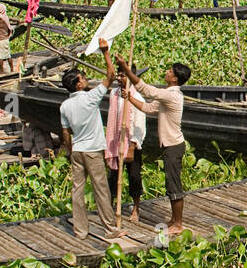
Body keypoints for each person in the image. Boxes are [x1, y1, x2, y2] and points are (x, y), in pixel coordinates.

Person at [117, 55, 190, 235]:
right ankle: (174, 219)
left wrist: (127, 71)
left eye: (170, 71)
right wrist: (130, 98)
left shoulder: (171, 95)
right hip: (170, 144)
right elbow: (149, 108)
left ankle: (178, 224)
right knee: (170, 181)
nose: (166, 72)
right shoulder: (167, 95)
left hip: (173, 145)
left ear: (175, 78)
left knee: (173, 184)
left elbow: (147, 91)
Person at [59, 45, 118, 238]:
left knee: (78, 191)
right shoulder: (90, 98)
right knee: (100, 189)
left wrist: (69, 150)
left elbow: (65, 132)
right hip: (92, 150)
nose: (86, 79)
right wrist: (105, 52)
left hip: (77, 150)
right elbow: (111, 75)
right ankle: (109, 229)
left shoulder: (65, 106)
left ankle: (80, 230)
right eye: (83, 78)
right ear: (78, 85)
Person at [104, 72, 147, 223]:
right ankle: (112, 207)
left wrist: (132, 146)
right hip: (116, 142)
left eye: (123, 75)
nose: (119, 79)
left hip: (131, 143)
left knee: (134, 176)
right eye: (119, 75)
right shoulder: (114, 94)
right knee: (113, 176)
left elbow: (139, 124)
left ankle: (136, 208)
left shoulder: (137, 97)